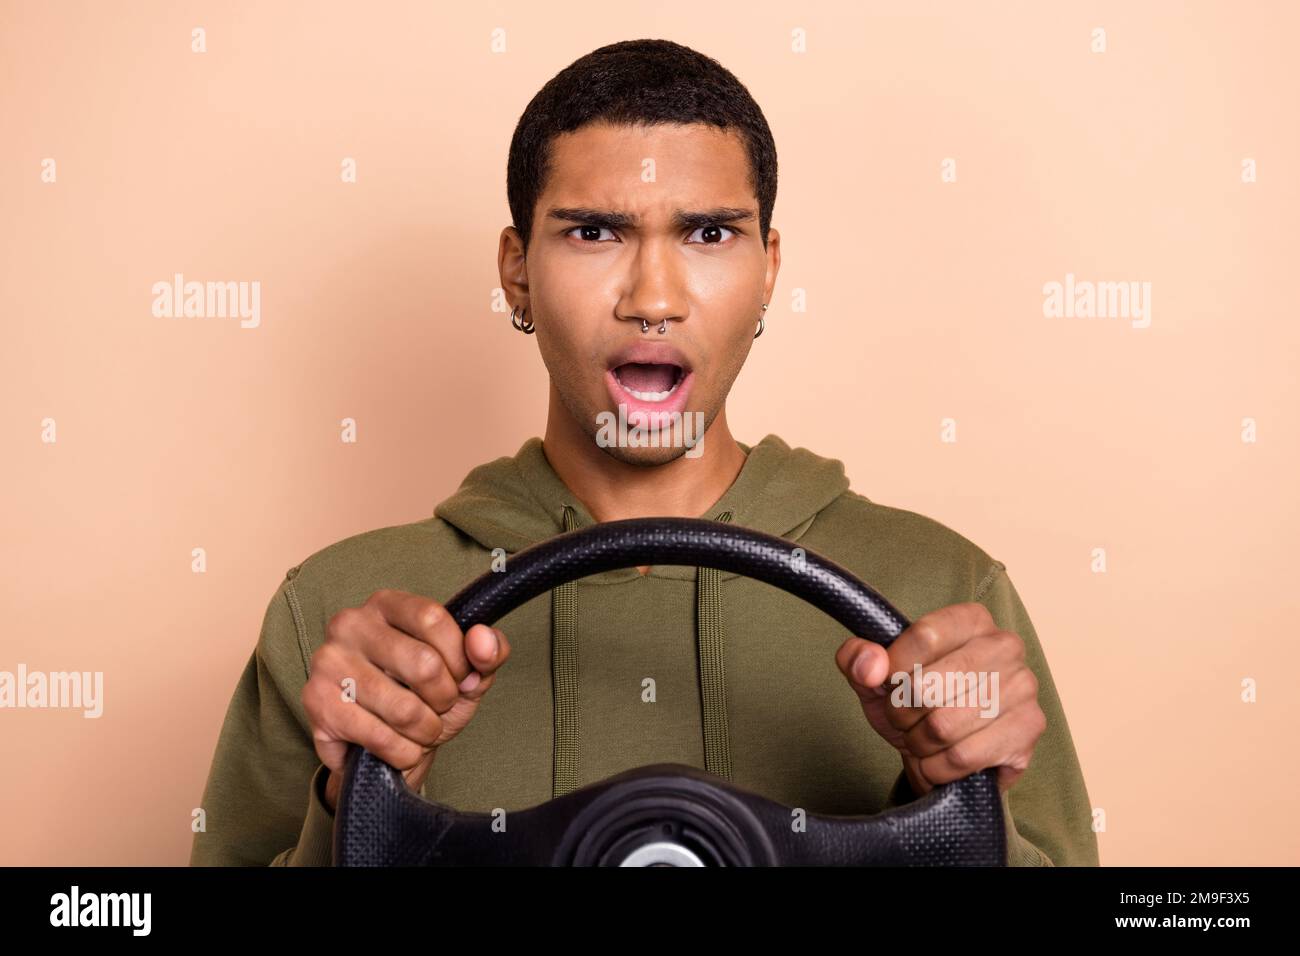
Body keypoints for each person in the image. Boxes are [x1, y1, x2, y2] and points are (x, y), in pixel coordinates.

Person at [190, 38, 1098, 867]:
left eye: (709, 234)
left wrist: (954, 800)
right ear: (517, 269)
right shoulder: (343, 622)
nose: (653, 297)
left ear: (769, 267)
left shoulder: (944, 594)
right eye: (594, 231)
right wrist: (358, 804)